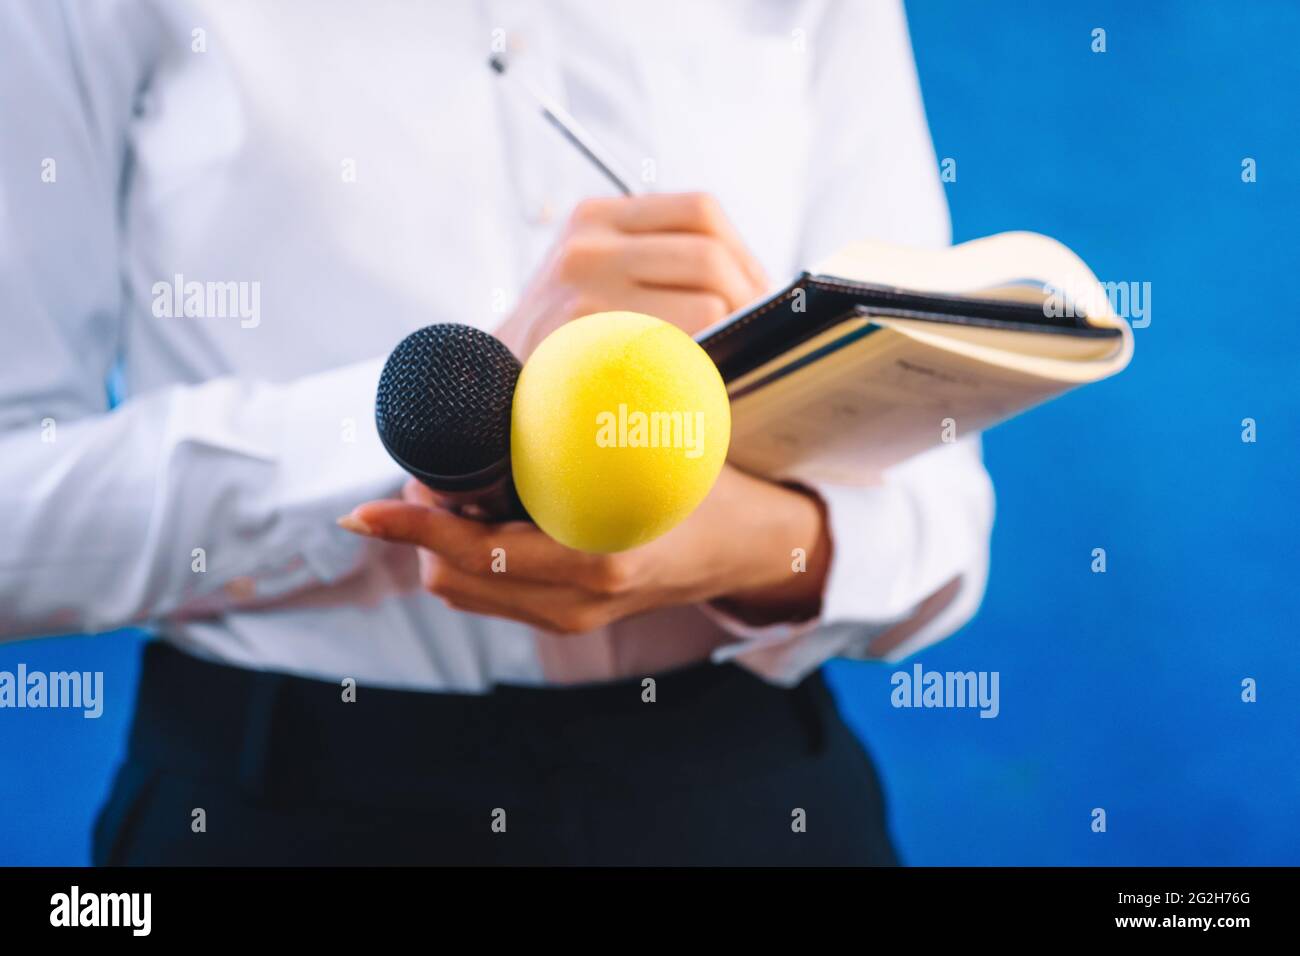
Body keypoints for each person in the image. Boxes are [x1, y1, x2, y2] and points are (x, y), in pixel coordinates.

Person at [0, 0, 993, 865]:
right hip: (277, 800)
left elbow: (938, 523)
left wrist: (747, 544)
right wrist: (457, 407)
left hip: (743, 790)